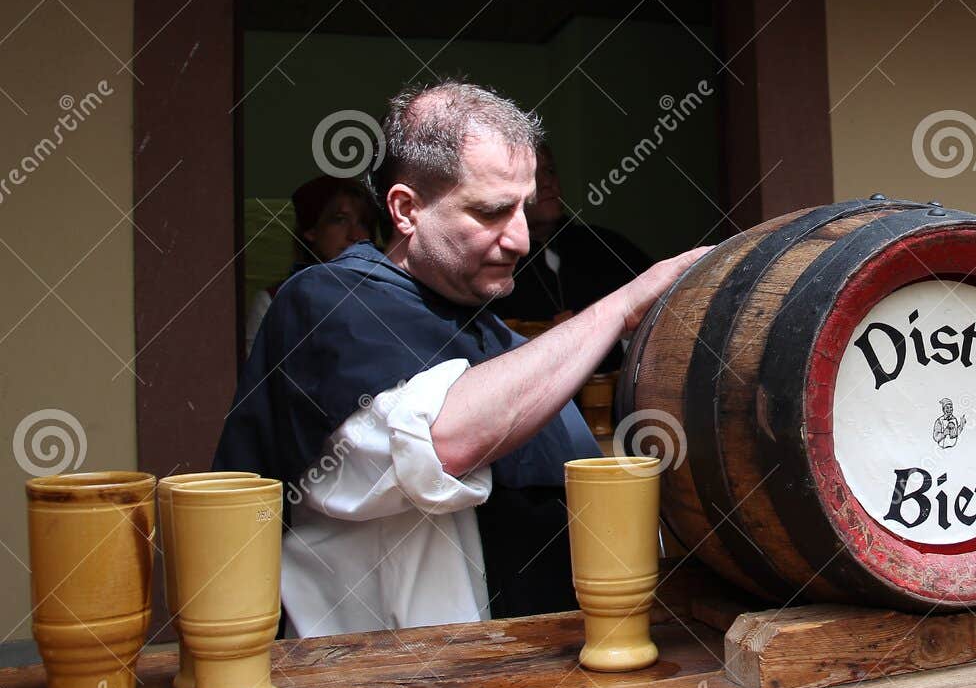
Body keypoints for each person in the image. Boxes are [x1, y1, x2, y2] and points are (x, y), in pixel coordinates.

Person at [214, 81, 707, 637]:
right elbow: (437, 441)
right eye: (492, 212)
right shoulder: (327, 302)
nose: (520, 239)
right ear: (406, 210)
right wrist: (621, 306)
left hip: (515, 684)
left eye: (524, 208)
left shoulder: (493, 335)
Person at [490, 141, 650, 372]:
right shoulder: (494, 263)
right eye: (533, 174)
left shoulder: (602, 244)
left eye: (550, 171)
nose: (547, 183)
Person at [243, 175, 377, 355]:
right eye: (340, 219)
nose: (355, 235)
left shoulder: (386, 296)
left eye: (363, 223)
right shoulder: (273, 302)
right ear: (311, 230)